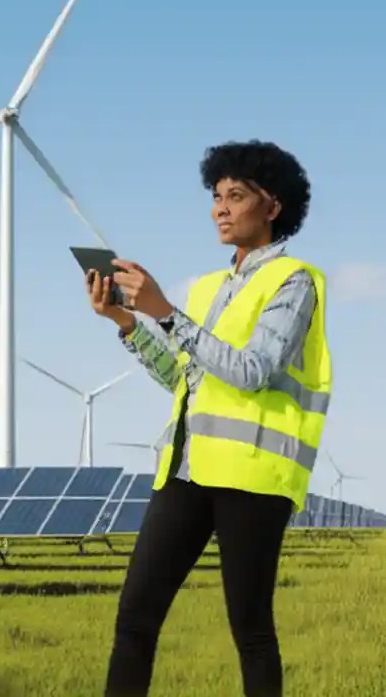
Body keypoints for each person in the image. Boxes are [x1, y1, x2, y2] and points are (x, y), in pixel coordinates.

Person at [86, 139, 332, 697]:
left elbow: (254, 371)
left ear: (273, 206)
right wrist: (127, 322)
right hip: (184, 470)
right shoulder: (205, 289)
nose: (220, 208)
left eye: (236, 195)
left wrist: (165, 314)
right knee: (134, 621)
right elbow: (184, 378)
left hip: (250, 475)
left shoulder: (295, 281)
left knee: (250, 631)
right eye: (216, 196)